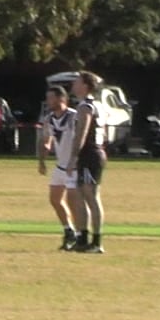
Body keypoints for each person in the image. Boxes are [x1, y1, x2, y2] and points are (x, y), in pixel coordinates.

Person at [37, 85, 81, 251]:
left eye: (51, 98)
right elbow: (46, 140)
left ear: (61, 99)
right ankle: (69, 230)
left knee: (73, 202)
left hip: (74, 166)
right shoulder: (49, 119)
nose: (48, 101)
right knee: (55, 199)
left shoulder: (74, 117)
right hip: (60, 166)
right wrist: (42, 160)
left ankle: (80, 235)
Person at [69, 72, 108, 254]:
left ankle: (97, 242)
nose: (73, 85)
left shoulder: (85, 107)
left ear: (85, 86)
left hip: (89, 155)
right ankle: (83, 239)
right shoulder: (95, 105)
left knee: (91, 196)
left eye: (77, 82)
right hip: (93, 154)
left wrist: (73, 157)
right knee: (80, 196)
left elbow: (81, 134)